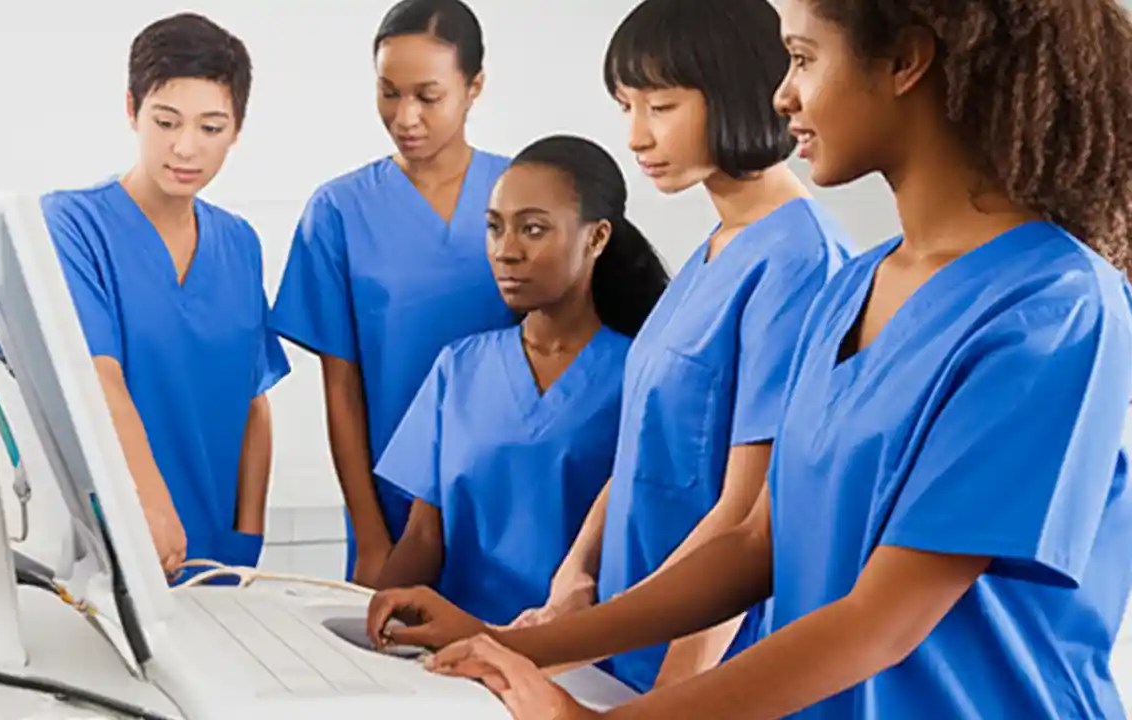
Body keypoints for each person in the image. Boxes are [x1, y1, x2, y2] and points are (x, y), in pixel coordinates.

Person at [367, 0, 1132, 717]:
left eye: (802, 59)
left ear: (904, 61)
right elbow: (757, 542)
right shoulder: (854, 289)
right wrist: (511, 642)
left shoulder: (1053, 309)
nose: (782, 98)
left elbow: (882, 622)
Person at [500, 0, 849, 692]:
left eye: (659, 106)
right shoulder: (712, 254)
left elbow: (749, 520)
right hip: (632, 647)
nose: (634, 135)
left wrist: (680, 687)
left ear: (738, 92)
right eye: (626, 106)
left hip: (713, 663)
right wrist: (576, 580)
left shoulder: (800, 262)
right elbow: (645, 454)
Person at [372, 135, 670, 627]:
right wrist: (367, 623)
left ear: (596, 238)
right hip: (454, 652)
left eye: (532, 229)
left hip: (582, 660)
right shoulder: (459, 368)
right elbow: (424, 539)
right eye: (494, 228)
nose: (506, 251)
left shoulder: (642, 376)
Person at [268, 0, 515, 586]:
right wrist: (371, 535)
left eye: (428, 96)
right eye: (388, 92)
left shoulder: (525, 196)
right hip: (394, 509)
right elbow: (343, 388)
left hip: (515, 501)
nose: (406, 116)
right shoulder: (339, 211)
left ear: (473, 87)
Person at [42, 13, 287, 581]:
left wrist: (247, 540)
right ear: (132, 110)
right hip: (122, 548)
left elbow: (254, 401)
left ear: (237, 129)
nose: (185, 148)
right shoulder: (73, 225)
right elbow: (97, 376)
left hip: (216, 560)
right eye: (166, 121)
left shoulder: (238, 243)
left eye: (211, 127)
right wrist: (149, 509)